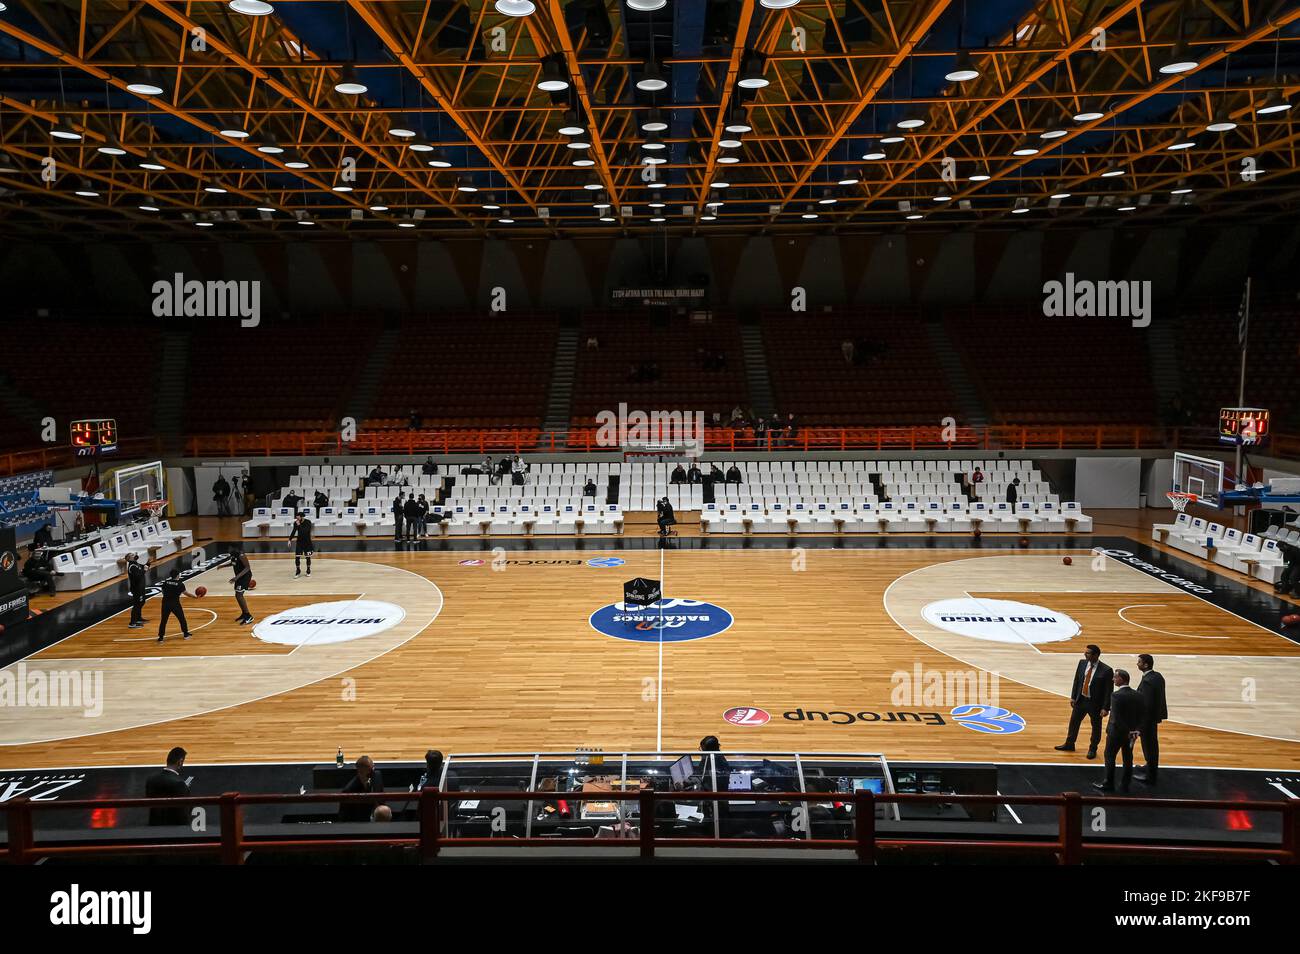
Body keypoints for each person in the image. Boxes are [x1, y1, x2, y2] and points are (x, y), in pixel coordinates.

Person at [1056, 644, 1113, 758]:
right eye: (1085, 652)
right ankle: (1069, 744)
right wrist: (1073, 696)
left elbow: (1108, 691)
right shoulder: (1082, 663)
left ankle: (1093, 749)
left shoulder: (1106, 670)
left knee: (1096, 727)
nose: (1085, 654)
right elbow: (1077, 680)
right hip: (1081, 700)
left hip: (1095, 704)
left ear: (1096, 655)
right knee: (1074, 723)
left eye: (1088, 653)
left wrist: (1105, 708)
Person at [1093, 670, 1144, 794]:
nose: (1113, 680)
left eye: (1115, 677)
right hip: (1132, 734)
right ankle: (1125, 784)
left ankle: (1108, 783)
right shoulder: (1138, 694)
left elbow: (1116, 719)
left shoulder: (1116, 695)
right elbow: (1142, 715)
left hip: (1116, 733)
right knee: (1128, 758)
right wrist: (1136, 731)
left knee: (1109, 756)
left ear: (1122, 679)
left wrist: (1127, 731)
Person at [1134, 654, 1167, 786]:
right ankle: (1149, 766)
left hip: (1147, 720)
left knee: (1149, 747)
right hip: (1154, 717)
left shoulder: (1147, 681)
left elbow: (1146, 704)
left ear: (1146, 665)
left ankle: (1150, 775)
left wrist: (1140, 724)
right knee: (1152, 745)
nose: (1137, 664)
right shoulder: (1157, 676)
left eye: (1139, 662)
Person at [145, 747, 191, 826]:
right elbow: (183, 813)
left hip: (154, 826)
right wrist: (184, 788)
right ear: (180, 762)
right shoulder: (179, 784)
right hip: (173, 829)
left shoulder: (151, 779)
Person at [339, 755, 384, 822]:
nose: (373, 770)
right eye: (371, 769)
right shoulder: (349, 790)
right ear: (361, 772)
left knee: (385, 810)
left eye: (373, 767)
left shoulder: (377, 775)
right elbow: (345, 816)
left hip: (377, 816)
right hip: (359, 821)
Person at [157, 566, 194, 643]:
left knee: (163, 620)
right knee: (181, 619)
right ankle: (186, 634)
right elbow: (186, 593)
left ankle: (161, 638)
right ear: (178, 575)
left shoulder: (165, 582)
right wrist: (195, 597)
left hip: (165, 603)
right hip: (175, 603)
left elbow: (163, 592)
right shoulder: (180, 584)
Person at [228, 545, 254, 625]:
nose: (229, 550)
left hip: (245, 576)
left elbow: (247, 568)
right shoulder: (233, 555)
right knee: (237, 595)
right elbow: (233, 563)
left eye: (230, 548)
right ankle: (244, 613)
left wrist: (236, 578)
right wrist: (223, 566)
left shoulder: (241, 555)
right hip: (239, 577)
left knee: (239, 595)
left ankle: (249, 616)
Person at [126, 551, 148, 628]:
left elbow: (144, 567)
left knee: (142, 602)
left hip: (140, 587)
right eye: (132, 555)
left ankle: (138, 618)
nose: (134, 555)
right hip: (136, 588)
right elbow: (138, 576)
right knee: (137, 605)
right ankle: (132, 623)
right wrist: (145, 570)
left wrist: (148, 563)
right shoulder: (132, 566)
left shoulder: (136, 564)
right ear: (129, 559)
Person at [288, 511, 314, 577]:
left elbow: (305, 531)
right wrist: (289, 539)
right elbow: (294, 531)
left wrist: (299, 525)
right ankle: (298, 571)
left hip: (307, 542)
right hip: (299, 542)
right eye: (296, 516)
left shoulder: (308, 522)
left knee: (308, 557)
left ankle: (308, 570)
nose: (296, 518)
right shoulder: (296, 522)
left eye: (298, 516)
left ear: (301, 516)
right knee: (297, 557)